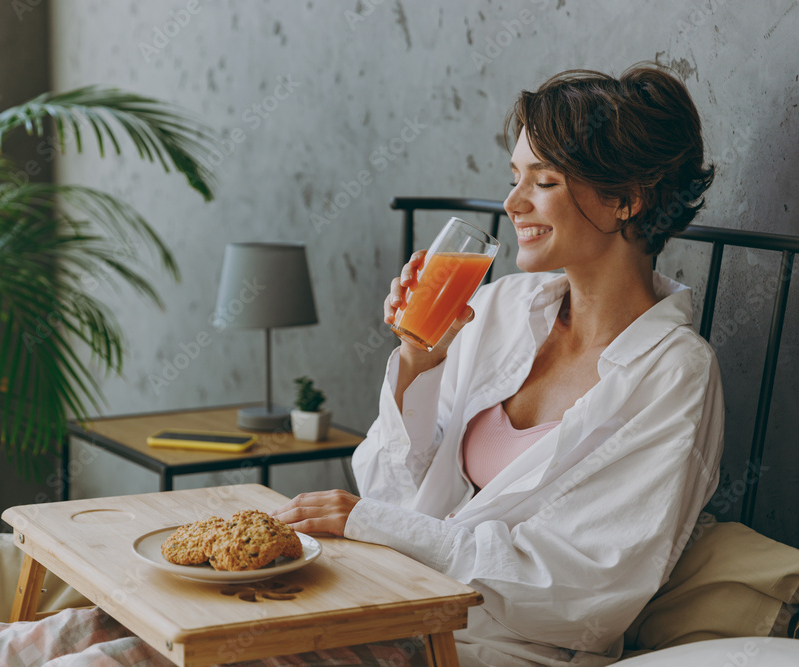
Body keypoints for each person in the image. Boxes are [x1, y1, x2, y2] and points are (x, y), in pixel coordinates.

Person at [272, 64, 724, 666]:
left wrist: (372, 525)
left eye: (544, 181)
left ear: (626, 199)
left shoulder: (674, 374)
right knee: (114, 634)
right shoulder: (498, 305)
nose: (512, 203)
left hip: (501, 648)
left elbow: (583, 597)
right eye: (515, 177)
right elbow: (386, 490)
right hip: (392, 600)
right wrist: (417, 363)